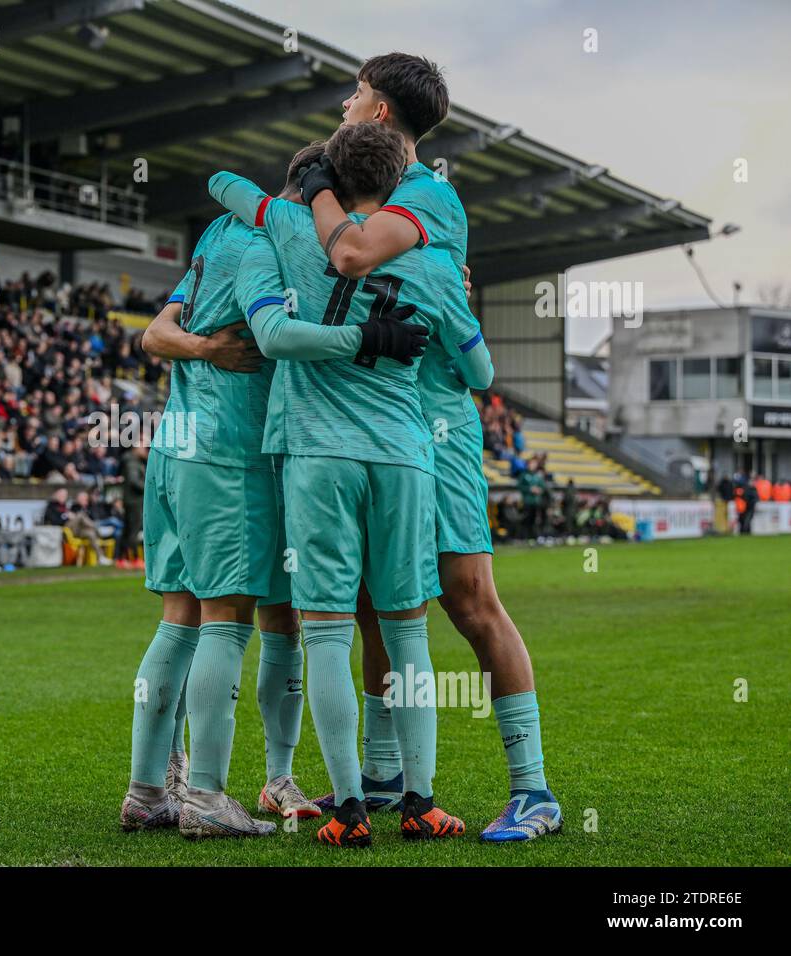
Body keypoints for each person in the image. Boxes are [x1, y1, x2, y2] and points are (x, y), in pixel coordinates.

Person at [298, 53, 560, 841]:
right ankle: (381, 775)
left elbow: (349, 255)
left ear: (379, 112)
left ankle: (535, 790)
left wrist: (309, 189)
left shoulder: (429, 197)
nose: (345, 102)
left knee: (468, 599)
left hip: (436, 428)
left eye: (356, 93)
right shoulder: (369, 197)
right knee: (378, 605)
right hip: (382, 430)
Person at [208, 118, 486, 847]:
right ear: (399, 186)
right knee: (409, 634)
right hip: (404, 456)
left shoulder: (293, 231)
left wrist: (309, 184)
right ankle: (423, 801)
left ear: (325, 181)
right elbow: (479, 372)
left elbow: (225, 185)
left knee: (327, 632)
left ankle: (350, 810)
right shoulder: (431, 260)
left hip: (318, 456)